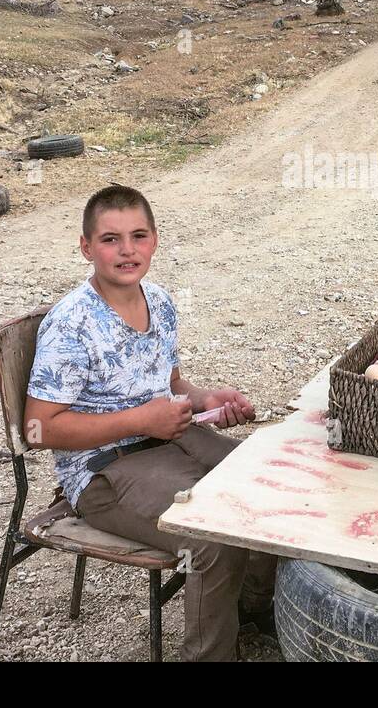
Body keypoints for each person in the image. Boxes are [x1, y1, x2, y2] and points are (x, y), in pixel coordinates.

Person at [25, 184, 276, 661]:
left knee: (266, 482)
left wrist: (207, 398)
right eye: (110, 239)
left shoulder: (158, 301)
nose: (127, 250)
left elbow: (173, 382)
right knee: (212, 535)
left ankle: (252, 615)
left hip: (171, 439)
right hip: (104, 470)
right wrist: (141, 420)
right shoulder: (71, 323)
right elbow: (40, 429)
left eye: (138, 236)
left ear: (155, 240)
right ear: (85, 247)